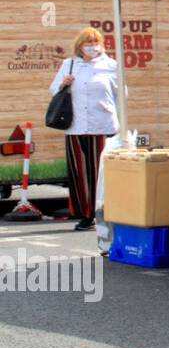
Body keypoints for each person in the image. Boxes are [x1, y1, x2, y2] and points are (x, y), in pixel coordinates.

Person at [49, 27, 119, 232]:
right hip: (76, 126)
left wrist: (118, 121)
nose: (92, 47)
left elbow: (120, 94)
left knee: (100, 172)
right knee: (79, 173)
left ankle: (104, 212)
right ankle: (85, 214)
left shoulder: (111, 65)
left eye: (95, 42)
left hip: (101, 125)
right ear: (79, 46)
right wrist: (63, 84)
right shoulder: (70, 65)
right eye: (88, 43)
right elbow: (53, 90)